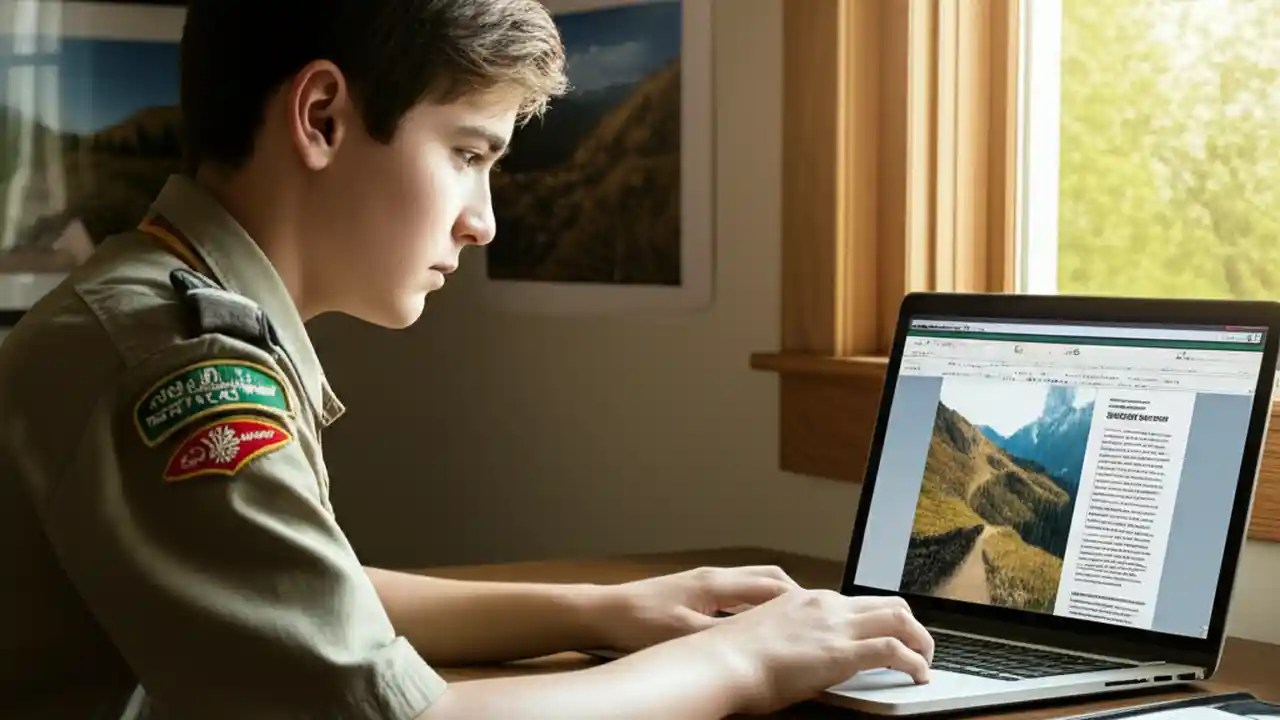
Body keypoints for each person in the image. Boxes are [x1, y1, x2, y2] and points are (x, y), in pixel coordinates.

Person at [0, 1, 934, 718]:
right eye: (467, 153)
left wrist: (602, 611)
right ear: (321, 117)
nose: (483, 221)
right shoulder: (179, 363)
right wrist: (744, 661)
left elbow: (307, 597)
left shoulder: (154, 296)